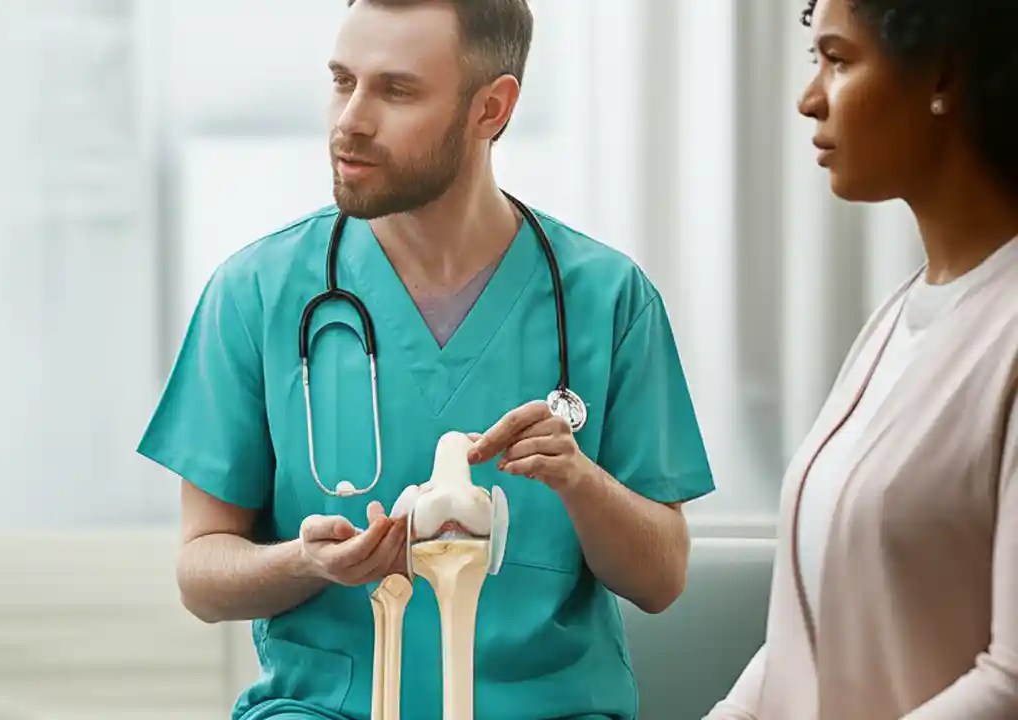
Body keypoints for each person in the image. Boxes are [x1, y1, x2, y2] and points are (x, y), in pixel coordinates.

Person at [138, 1, 714, 717]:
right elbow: (201, 576)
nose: (350, 118)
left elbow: (661, 580)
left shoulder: (608, 301)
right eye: (342, 81)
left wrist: (579, 481)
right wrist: (307, 561)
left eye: (396, 90)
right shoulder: (257, 293)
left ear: (491, 109)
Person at [705, 0, 1018, 718]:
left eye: (838, 60)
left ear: (943, 72)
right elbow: (802, 645)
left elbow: (1011, 682)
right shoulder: (899, 319)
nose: (809, 98)